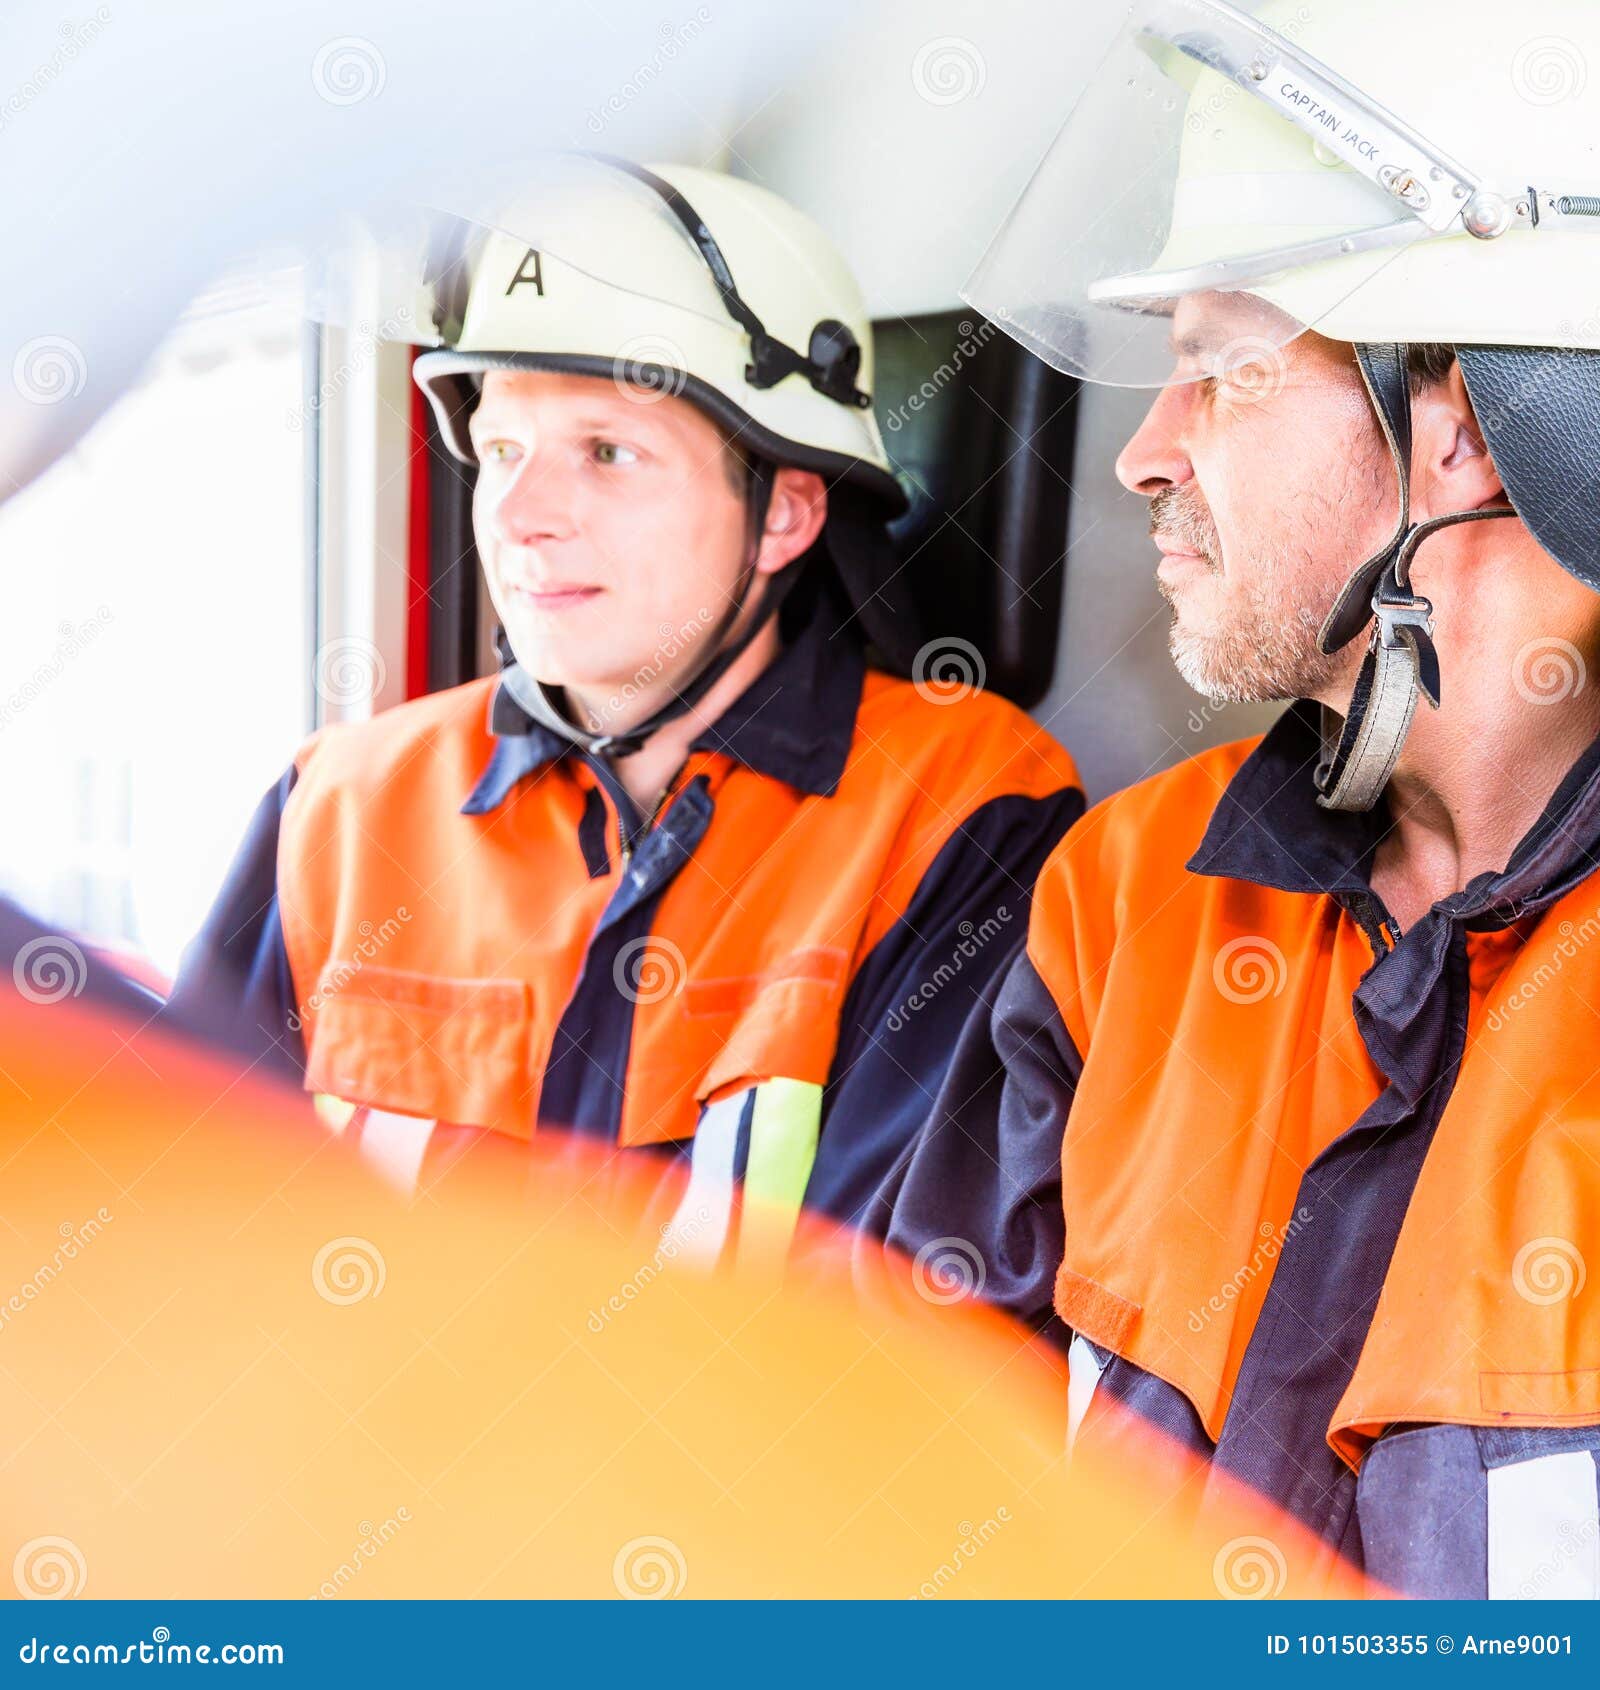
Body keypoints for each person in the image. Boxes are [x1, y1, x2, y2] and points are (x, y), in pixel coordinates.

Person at [877, 0, 1600, 1596]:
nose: (1145, 453)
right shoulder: (1121, 900)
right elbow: (907, 1467)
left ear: (1465, 429)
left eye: (1219, 375)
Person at [165, 160, 1083, 1253]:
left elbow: (897, 1330)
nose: (519, 512)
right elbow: (182, 1239)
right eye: (501, 448)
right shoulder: (342, 805)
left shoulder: (961, 815)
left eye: (608, 451)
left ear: (785, 512)